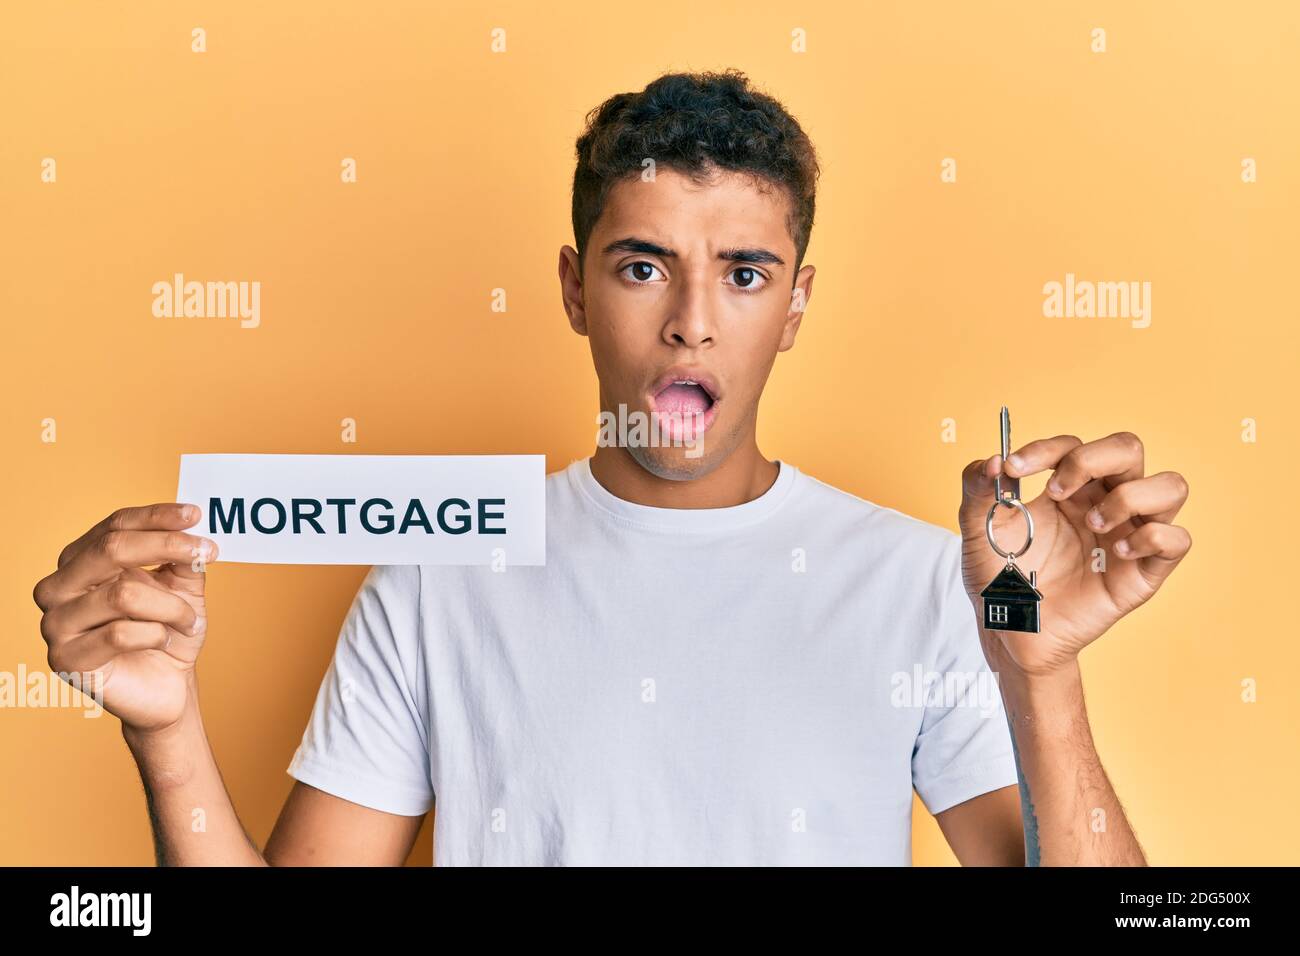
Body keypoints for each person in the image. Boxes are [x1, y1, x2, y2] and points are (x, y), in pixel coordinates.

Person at [31, 70, 1191, 866]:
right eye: (643, 268)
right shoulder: (436, 583)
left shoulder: (926, 586)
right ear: (573, 288)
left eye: (743, 273)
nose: (692, 321)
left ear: (793, 306)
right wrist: (165, 727)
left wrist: (1038, 674)